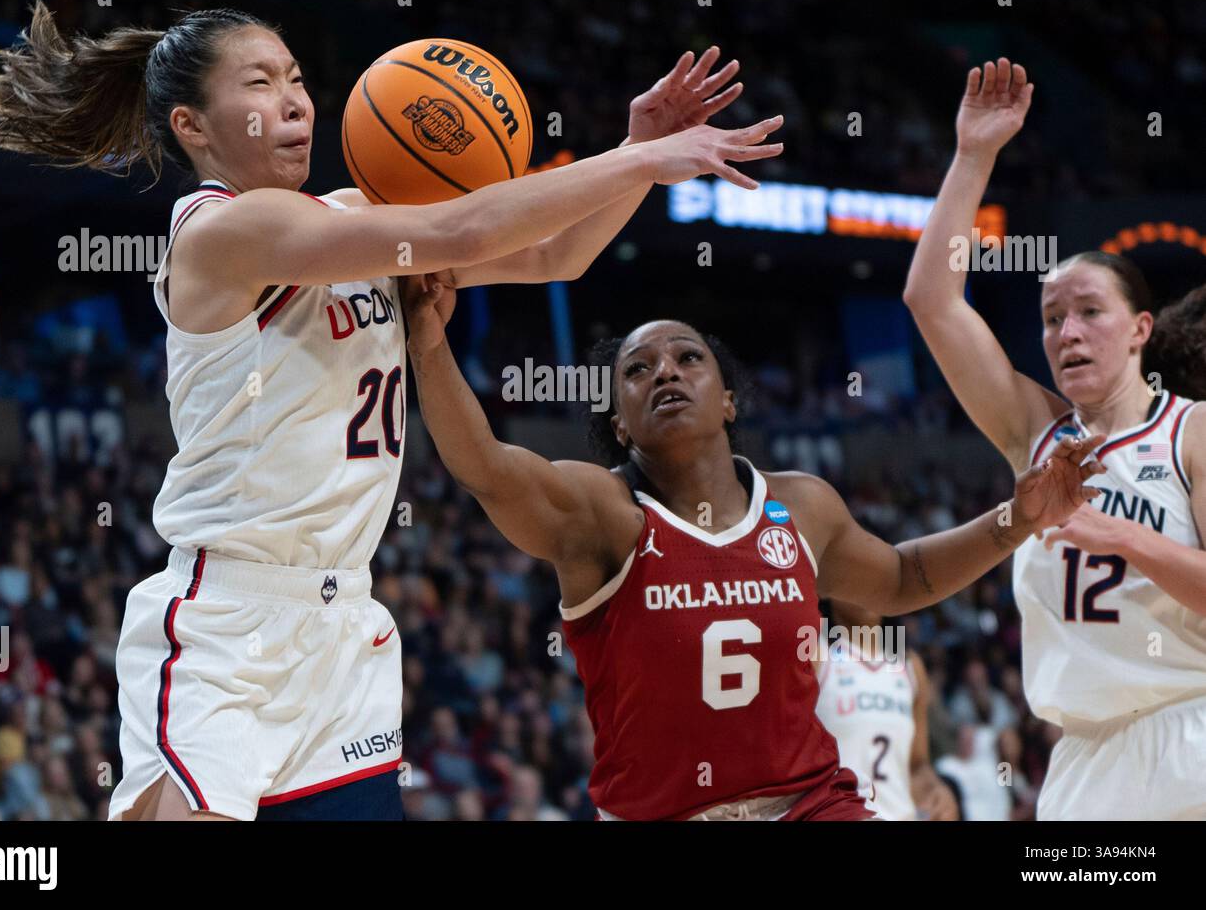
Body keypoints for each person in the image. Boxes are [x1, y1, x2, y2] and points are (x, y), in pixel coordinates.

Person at [0, 0, 782, 820]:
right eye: (258, 83)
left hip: (343, 627)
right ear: (193, 125)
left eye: (295, 79)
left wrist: (637, 151)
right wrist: (645, 161)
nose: (292, 100)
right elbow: (463, 229)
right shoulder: (223, 232)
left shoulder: (356, 221)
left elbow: (551, 252)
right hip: (228, 628)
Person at [404, 276, 1103, 820]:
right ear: (619, 423)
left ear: (729, 400)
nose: (667, 373)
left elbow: (901, 574)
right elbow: (485, 468)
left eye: (688, 358)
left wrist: (1017, 518)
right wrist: (431, 344)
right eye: (639, 370)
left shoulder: (801, 505)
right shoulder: (603, 514)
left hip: (810, 805)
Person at [903, 57, 1206, 819]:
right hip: (1079, 760)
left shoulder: (1192, 433)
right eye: (1049, 318)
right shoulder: (1035, 433)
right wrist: (974, 157)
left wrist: (1126, 538)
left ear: (1140, 329)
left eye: (1089, 312)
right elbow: (931, 300)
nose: (1067, 332)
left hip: (1190, 735)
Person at [813, 599, 959, 820]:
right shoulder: (814, 653)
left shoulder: (911, 666)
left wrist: (935, 790)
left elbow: (917, 766)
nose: (869, 583)